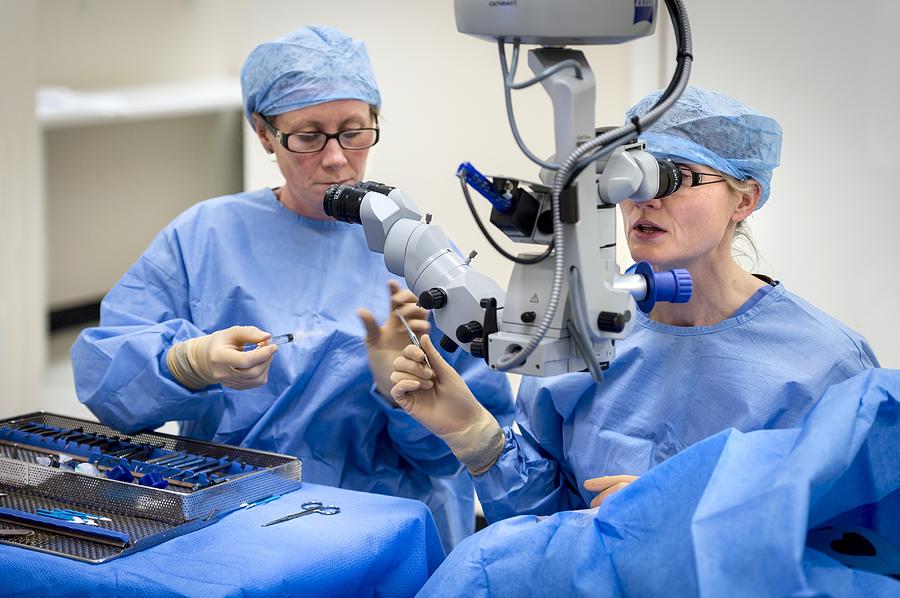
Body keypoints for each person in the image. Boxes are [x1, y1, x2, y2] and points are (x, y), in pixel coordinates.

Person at [71, 25, 513, 550]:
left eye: (354, 131)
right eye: (308, 136)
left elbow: (465, 452)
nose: (335, 159)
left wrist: (404, 392)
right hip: (231, 529)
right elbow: (106, 381)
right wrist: (187, 362)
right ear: (263, 133)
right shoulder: (204, 237)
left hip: (383, 539)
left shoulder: (417, 253)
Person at [389, 86, 879, 523]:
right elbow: (546, 522)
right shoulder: (585, 330)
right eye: (627, 177)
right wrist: (474, 432)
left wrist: (684, 514)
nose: (644, 200)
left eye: (673, 178)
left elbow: (853, 546)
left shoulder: (826, 365)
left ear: (744, 200)